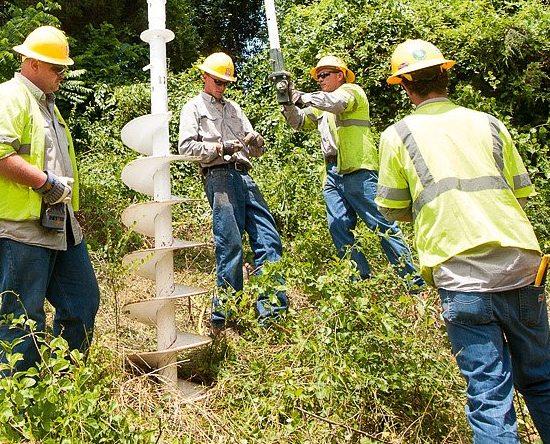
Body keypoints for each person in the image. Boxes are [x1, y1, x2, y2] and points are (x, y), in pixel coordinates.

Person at [376, 39, 550, 444]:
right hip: (521, 265)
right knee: (545, 379)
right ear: (445, 76)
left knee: (489, 399)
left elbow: (391, 208)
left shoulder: (398, 134)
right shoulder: (489, 123)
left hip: (460, 276)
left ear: (405, 84)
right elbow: (519, 191)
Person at [0, 24, 99, 374]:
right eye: (57, 68)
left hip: (57, 225)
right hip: (18, 229)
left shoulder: (46, 106)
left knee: (82, 302)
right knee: (23, 316)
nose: (62, 75)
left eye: (63, 69)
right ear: (32, 64)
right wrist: (46, 185)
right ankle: (19, 400)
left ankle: (62, 382)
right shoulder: (8, 97)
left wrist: (68, 205)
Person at [282, 53, 421, 287]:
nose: (320, 79)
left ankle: (413, 282)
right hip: (333, 172)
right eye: (318, 76)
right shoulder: (321, 105)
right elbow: (298, 123)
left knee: (381, 224)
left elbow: (337, 103)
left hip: (358, 169)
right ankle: (359, 281)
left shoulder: (353, 92)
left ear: (340, 76)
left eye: (325, 75)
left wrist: (302, 96)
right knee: (339, 226)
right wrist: (287, 102)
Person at [178, 51, 288, 331]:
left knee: (269, 239)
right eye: (216, 80)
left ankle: (273, 316)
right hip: (219, 176)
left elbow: (255, 149)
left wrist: (256, 142)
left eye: (225, 83)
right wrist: (219, 148)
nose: (221, 86)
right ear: (204, 76)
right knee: (231, 245)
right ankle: (224, 319)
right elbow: (186, 148)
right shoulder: (193, 107)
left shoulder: (234, 109)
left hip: (245, 178)